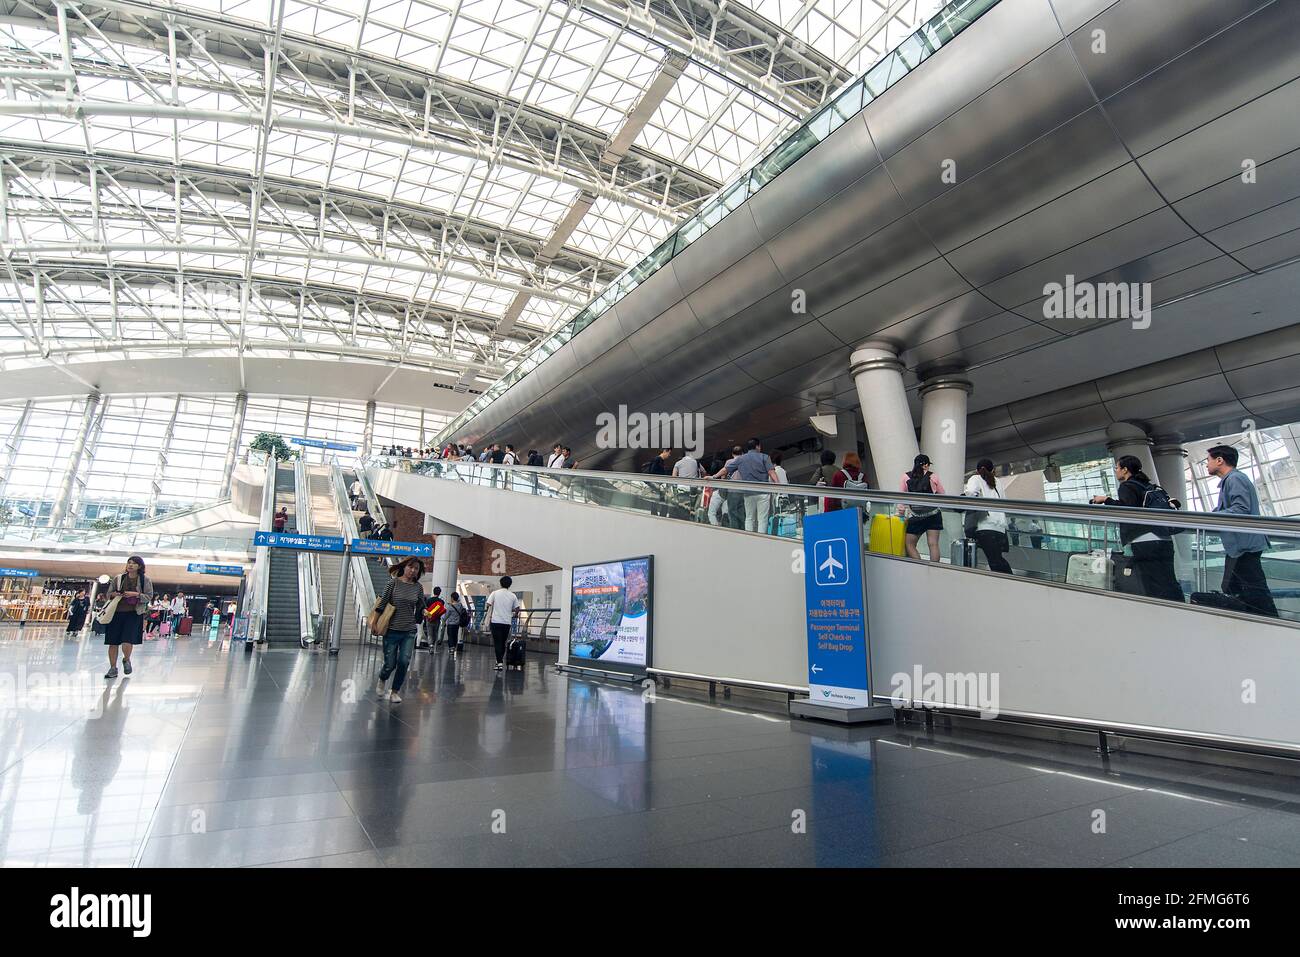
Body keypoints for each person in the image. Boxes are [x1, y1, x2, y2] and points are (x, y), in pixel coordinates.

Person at [1090, 455, 1184, 603]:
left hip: (1145, 542)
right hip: (1164, 540)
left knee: (1152, 583)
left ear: (1125, 470)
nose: (1116, 471)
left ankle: (1162, 614)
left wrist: (1105, 500)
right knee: (1168, 580)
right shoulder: (1149, 486)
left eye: (1117, 468)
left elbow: (1127, 512)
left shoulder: (1127, 486)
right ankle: (1180, 609)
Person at [1206, 445, 1277, 617]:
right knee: (1235, 587)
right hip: (1240, 546)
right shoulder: (1231, 481)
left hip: (1245, 546)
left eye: (1208, 460)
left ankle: (1270, 622)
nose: (1206, 465)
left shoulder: (1235, 479)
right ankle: (1255, 620)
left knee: (1254, 590)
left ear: (1220, 460)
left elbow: (1241, 509)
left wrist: (1210, 518)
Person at [373, 557, 427, 703]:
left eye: (416, 568)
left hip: (409, 630)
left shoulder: (418, 587)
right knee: (390, 664)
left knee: (404, 661)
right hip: (391, 629)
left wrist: (424, 612)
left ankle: (395, 691)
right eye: (411, 567)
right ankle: (383, 678)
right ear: (404, 567)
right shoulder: (393, 583)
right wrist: (374, 622)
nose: (413, 570)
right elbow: (382, 603)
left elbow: (421, 605)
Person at [102, 555, 154, 678]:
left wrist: (135, 594)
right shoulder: (119, 578)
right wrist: (115, 594)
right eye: (129, 562)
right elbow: (109, 594)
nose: (130, 565)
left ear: (139, 566)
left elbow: (149, 596)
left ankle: (126, 659)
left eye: (134, 563)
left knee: (127, 640)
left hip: (133, 614)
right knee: (112, 642)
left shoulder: (144, 580)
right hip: (115, 613)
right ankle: (113, 668)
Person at [963, 459, 1012, 574]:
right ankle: (1006, 584)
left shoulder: (976, 478)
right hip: (1000, 527)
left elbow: (970, 492)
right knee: (996, 559)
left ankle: (1012, 583)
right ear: (993, 470)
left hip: (985, 526)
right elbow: (1004, 501)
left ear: (977, 470)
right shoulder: (997, 481)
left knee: (995, 561)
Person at [725, 438, 778, 533]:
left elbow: (726, 470)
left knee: (749, 518)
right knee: (762, 519)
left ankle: (749, 538)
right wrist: (779, 486)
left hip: (748, 493)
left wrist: (714, 476)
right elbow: (772, 472)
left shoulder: (741, 459)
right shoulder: (764, 457)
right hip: (763, 493)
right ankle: (761, 538)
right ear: (757, 446)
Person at [900, 454, 945, 562]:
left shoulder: (905, 477)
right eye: (928, 465)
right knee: (933, 544)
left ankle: (920, 567)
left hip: (916, 516)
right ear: (925, 465)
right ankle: (934, 571)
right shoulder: (933, 476)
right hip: (933, 514)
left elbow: (901, 497)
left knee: (909, 544)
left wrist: (901, 512)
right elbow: (942, 494)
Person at [486, 575, 521, 671]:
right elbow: (517, 608)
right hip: (507, 622)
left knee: (497, 642)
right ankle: (499, 661)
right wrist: (514, 615)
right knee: (503, 642)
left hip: (496, 621)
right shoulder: (512, 595)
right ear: (510, 585)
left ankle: (500, 662)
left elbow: (488, 604)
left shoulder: (495, 593)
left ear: (501, 583)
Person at [643, 448, 672, 516]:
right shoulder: (657, 459)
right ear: (665, 451)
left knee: (659, 500)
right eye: (669, 453)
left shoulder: (660, 460)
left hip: (658, 484)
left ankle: (658, 514)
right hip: (656, 484)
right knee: (658, 500)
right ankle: (657, 514)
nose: (669, 455)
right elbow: (652, 471)